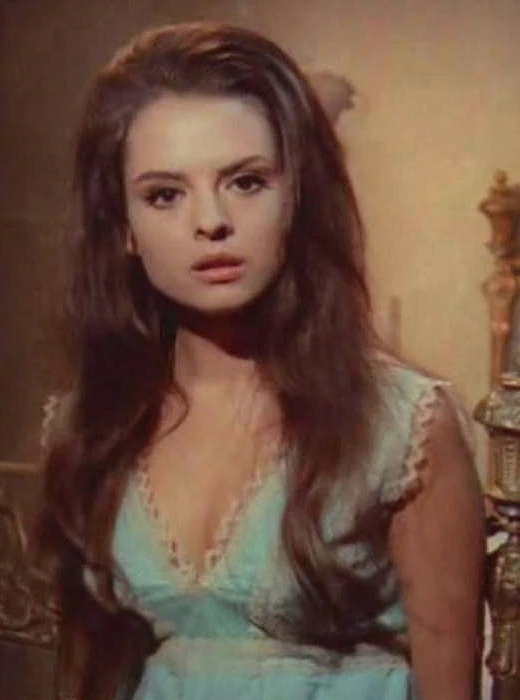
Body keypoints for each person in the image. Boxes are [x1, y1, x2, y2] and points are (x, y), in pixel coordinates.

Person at [37, 22, 485, 700]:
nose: (210, 222)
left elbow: (450, 678)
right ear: (124, 226)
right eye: (165, 194)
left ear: (297, 196)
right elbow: (85, 671)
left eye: (246, 182)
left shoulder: (403, 427)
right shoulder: (92, 425)